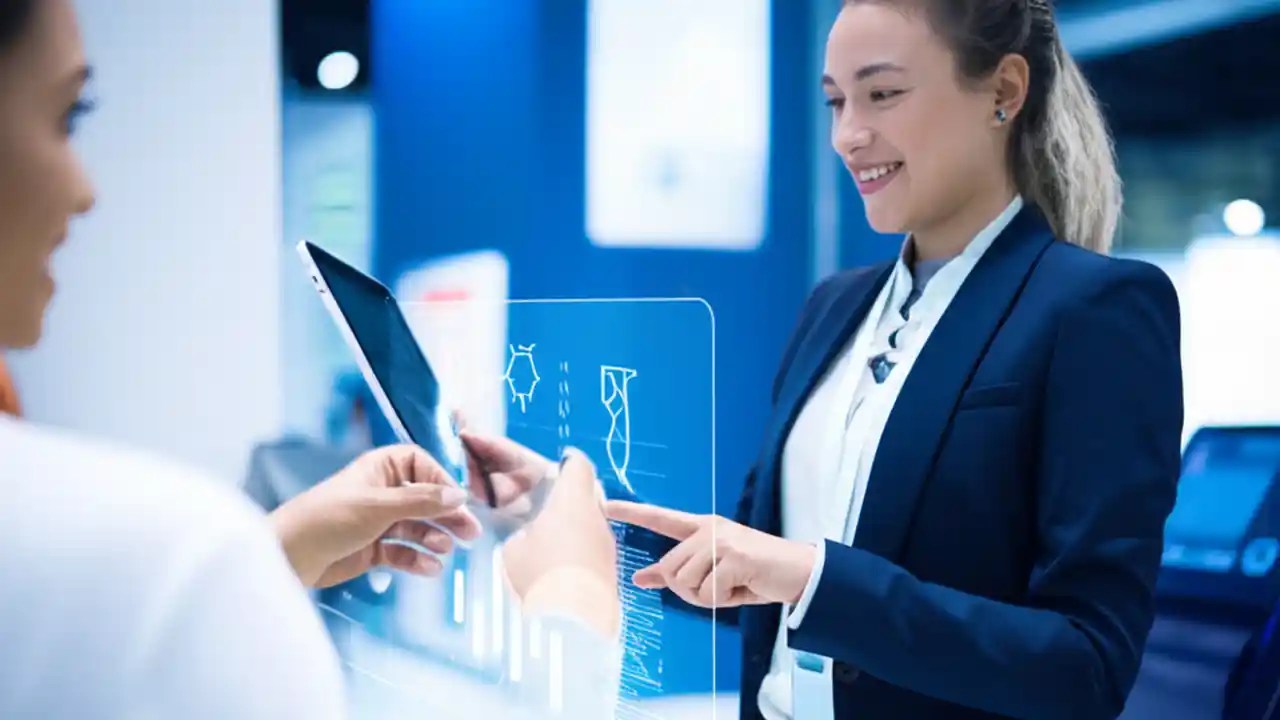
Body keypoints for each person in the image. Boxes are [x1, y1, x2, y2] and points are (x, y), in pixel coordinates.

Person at [0, 0, 620, 717]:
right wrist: (574, 599)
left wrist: (266, 558)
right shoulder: (166, 557)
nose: (87, 189)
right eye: (66, 118)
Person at [604, 2, 1183, 719]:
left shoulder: (1096, 309)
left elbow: (1085, 665)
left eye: (883, 94)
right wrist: (569, 515)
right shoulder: (832, 308)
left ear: (1003, 91)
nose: (849, 136)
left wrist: (814, 577)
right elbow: (760, 586)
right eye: (835, 101)